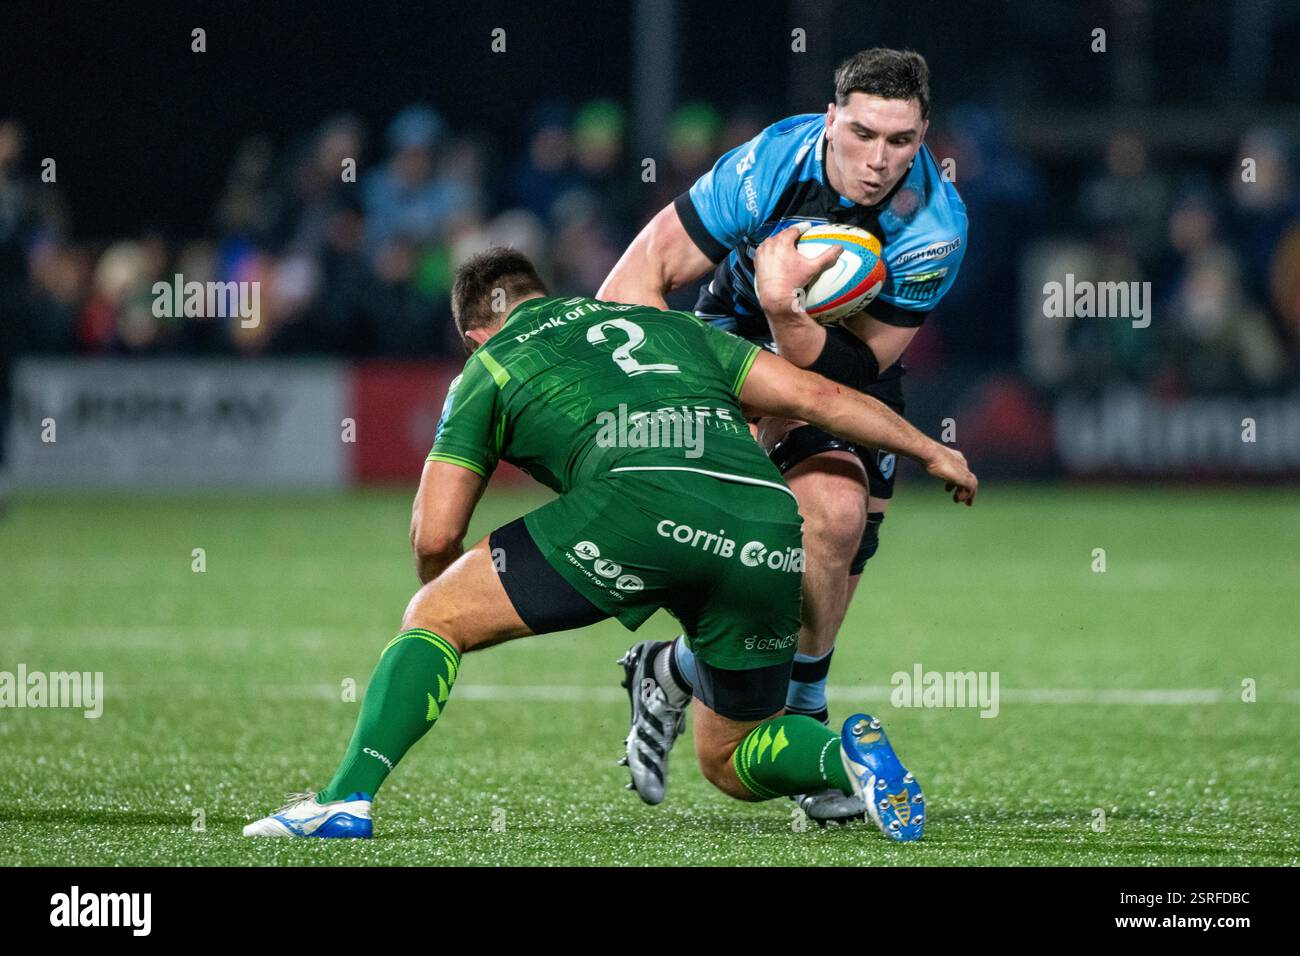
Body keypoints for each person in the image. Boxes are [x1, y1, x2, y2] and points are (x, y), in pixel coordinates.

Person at [243, 234, 976, 842]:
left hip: (636, 505)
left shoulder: (489, 365)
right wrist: (930, 450)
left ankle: (345, 799)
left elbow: (436, 533)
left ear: (473, 332)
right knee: (729, 755)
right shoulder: (671, 326)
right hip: (765, 516)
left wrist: (446, 594)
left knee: (433, 619)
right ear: (548, 293)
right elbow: (820, 397)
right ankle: (843, 760)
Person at [598, 48, 968, 823]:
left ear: (924, 134)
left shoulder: (935, 224)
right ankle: (805, 732)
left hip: (841, 360)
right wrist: (682, 393)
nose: (878, 161)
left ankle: (675, 670)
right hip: (726, 343)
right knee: (808, 529)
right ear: (831, 119)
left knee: (837, 539)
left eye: (901, 142)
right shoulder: (769, 165)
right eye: (862, 133)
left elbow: (855, 364)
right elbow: (632, 280)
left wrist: (791, 314)